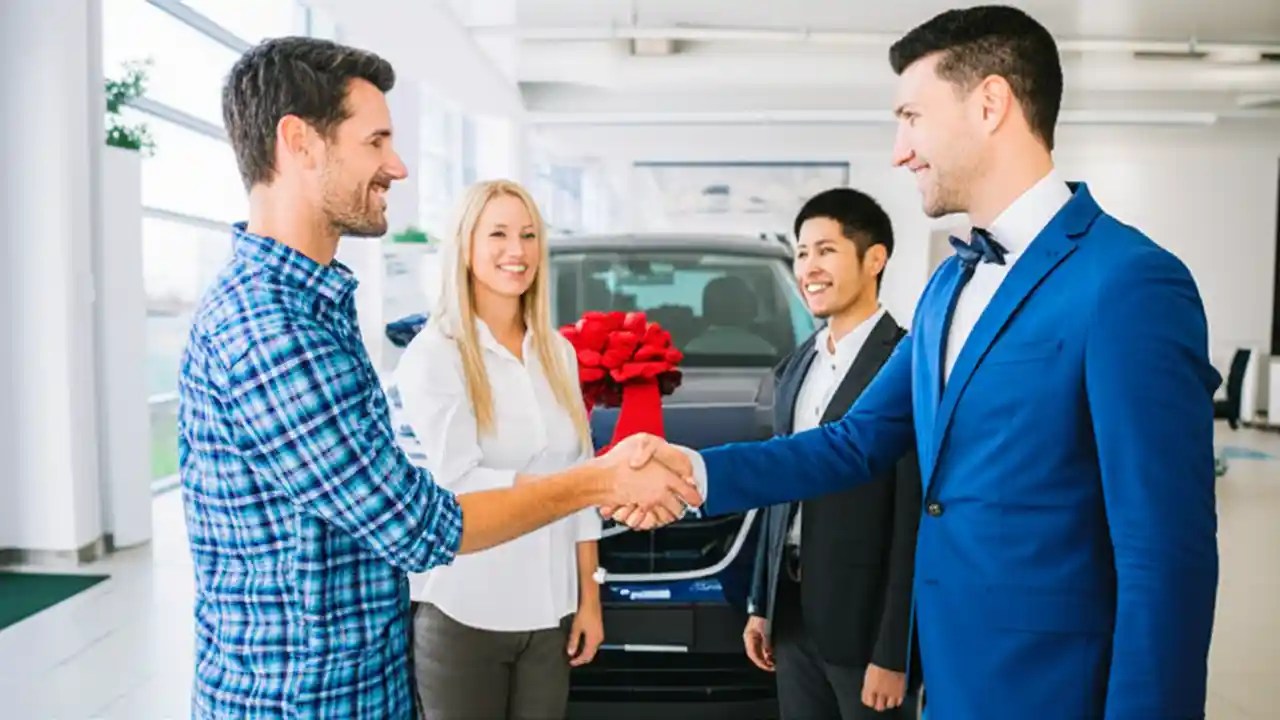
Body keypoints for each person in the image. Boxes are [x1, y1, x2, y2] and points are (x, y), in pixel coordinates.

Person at [613, 6, 1221, 718]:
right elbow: (856, 441)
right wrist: (696, 471)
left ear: (990, 104)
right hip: (950, 685)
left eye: (911, 116)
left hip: (1056, 690)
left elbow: (1165, 557)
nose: (900, 150)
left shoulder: (1129, 282)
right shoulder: (945, 287)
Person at [179, 37, 698, 720]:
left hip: (359, 684)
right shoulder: (272, 332)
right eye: (375, 142)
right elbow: (417, 523)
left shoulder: (317, 310)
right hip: (300, 701)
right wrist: (603, 479)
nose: (395, 166)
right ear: (300, 142)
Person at [388, 179, 604, 719]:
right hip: (465, 610)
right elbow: (457, 484)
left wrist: (590, 596)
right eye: (500, 234)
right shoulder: (434, 355)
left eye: (529, 235)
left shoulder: (557, 352)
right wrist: (578, 485)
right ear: (465, 246)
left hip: (549, 610)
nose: (518, 251)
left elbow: (581, 483)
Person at [743, 188, 922, 719]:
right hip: (793, 616)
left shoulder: (905, 364)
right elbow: (779, 491)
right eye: (801, 253)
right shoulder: (796, 367)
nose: (808, 268)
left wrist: (896, 653)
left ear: (875, 259)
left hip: (866, 634)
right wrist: (761, 604)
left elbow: (911, 518)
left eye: (825, 250)